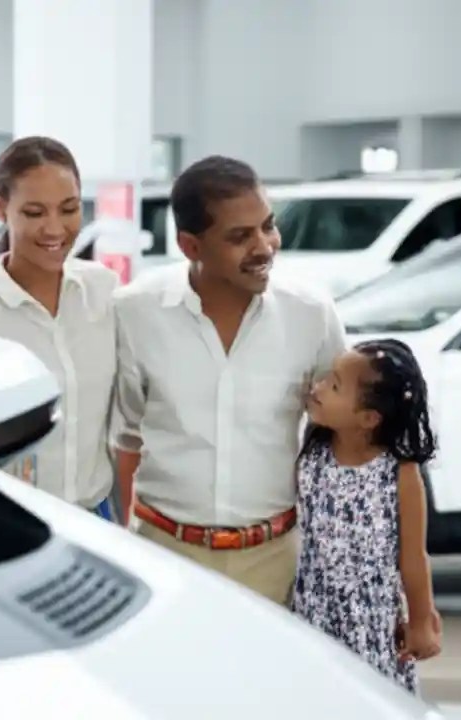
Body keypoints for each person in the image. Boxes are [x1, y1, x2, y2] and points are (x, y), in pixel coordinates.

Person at [112, 155, 346, 604]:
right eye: (240, 236)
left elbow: (343, 444)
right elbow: (124, 442)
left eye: (268, 226)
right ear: (190, 245)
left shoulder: (311, 313)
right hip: (163, 557)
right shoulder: (134, 312)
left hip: (277, 561)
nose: (264, 246)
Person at [0, 136, 118, 521]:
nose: (55, 229)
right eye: (34, 212)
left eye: (69, 209)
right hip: (12, 528)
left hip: (99, 521)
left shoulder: (103, 291)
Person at [292, 338, 442, 694]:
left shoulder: (400, 474)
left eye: (334, 386)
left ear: (368, 418)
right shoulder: (313, 454)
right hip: (312, 609)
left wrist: (421, 620)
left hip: (369, 620)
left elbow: (413, 558)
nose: (318, 387)